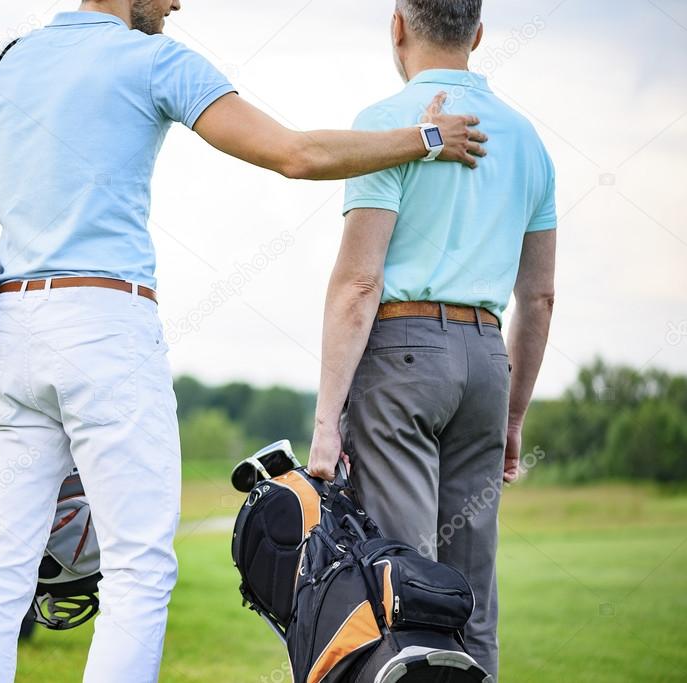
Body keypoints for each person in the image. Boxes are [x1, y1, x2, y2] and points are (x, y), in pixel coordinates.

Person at [0, 1, 487, 681]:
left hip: (13, 330)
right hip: (105, 325)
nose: (175, 4)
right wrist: (427, 138)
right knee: (137, 569)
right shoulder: (154, 61)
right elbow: (295, 154)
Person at [306, 0, 557, 679]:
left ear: (396, 26)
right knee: (471, 597)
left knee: (400, 581)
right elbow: (536, 297)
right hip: (486, 361)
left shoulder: (386, 125)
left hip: (400, 356)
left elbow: (358, 283)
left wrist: (326, 421)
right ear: (476, 33)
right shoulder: (528, 140)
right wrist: (511, 415)